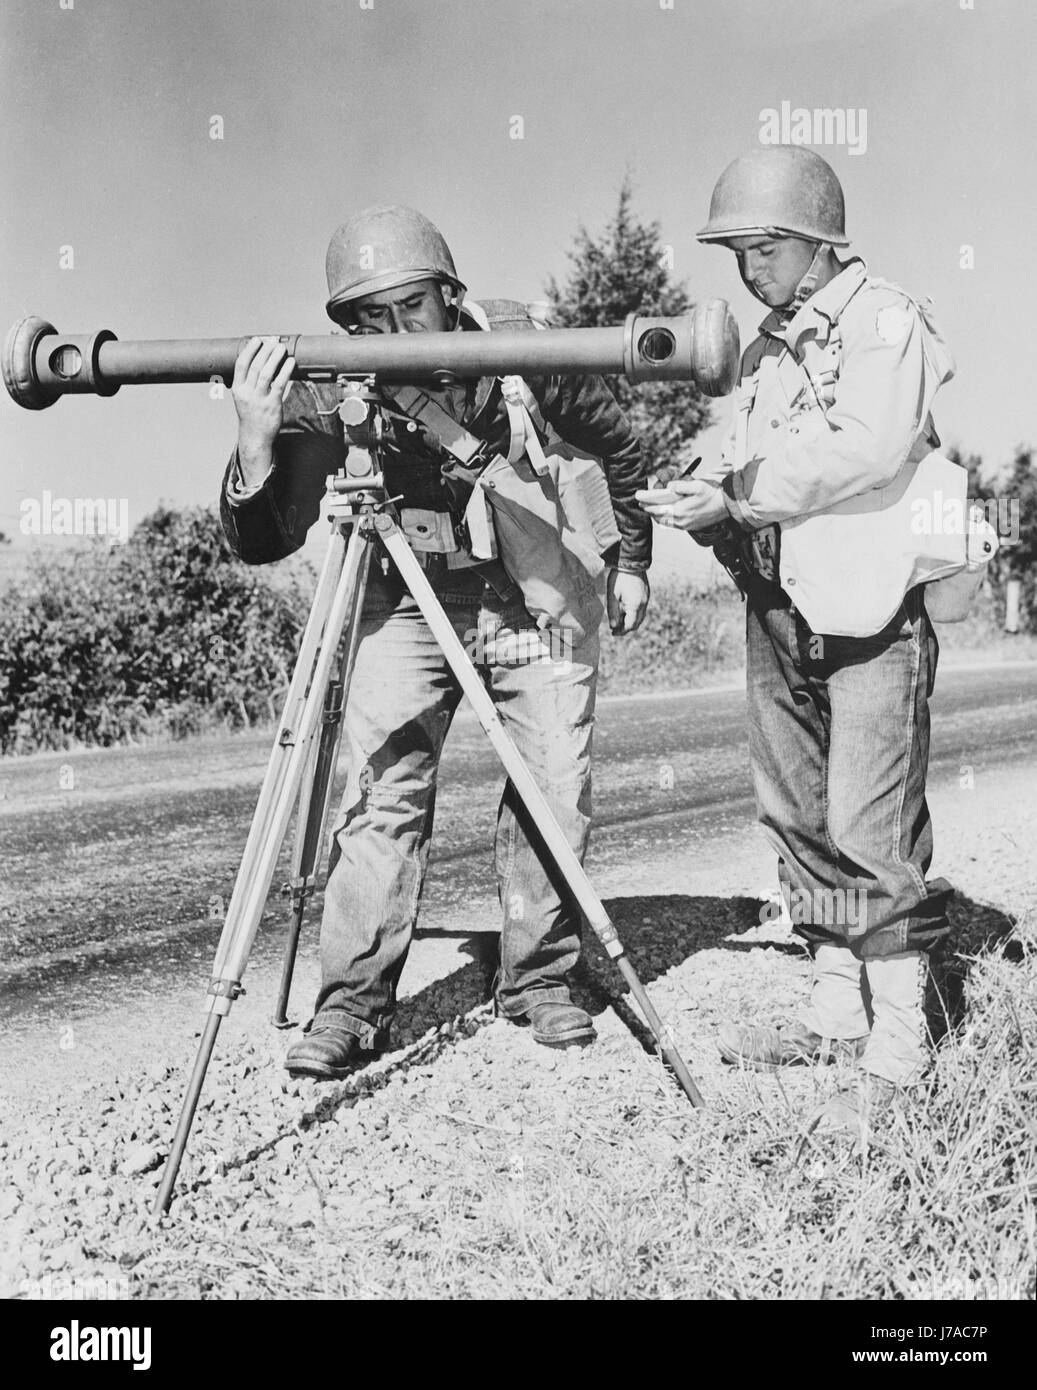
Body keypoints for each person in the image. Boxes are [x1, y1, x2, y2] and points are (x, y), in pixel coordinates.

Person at [220, 205, 652, 1078]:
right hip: (404, 599)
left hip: (531, 591)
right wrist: (255, 439)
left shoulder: (523, 351)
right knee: (380, 790)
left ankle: (539, 978)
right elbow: (266, 538)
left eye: (409, 308)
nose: (391, 333)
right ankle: (351, 1005)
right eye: (368, 319)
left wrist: (632, 560)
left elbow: (623, 443)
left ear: (449, 296)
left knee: (552, 785)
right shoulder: (327, 384)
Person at [639, 147, 955, 1127]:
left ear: (818, 238)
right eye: (735, 250)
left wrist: (734, 489)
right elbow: (746, 447)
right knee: (795, 813)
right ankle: (832, 1010)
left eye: (763, 246)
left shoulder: (885, 322)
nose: (747, 268)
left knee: (867, 820)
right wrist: (698, 479)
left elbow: (862, 445)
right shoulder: (767, 349)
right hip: (776, 600)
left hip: (866, 607)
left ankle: (899, 1045)